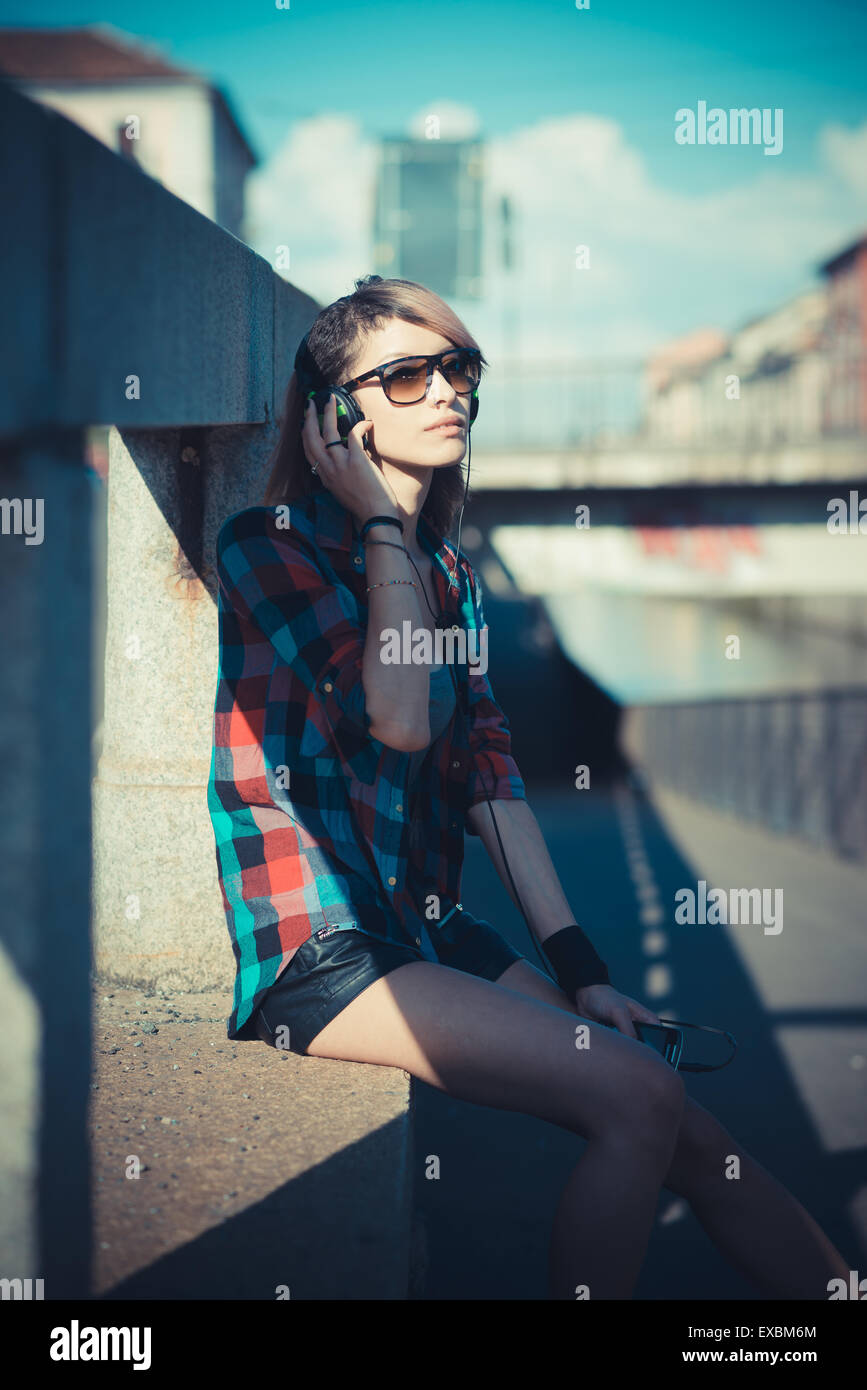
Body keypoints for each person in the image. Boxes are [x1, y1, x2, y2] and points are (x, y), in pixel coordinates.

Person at [207, 274, 851, 1300]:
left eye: (459, 368)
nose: (448, 391)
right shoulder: (267, 546)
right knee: (636, 1097)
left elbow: (490, 780)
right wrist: (379, 520)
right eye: (407, 375)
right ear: (339, 415)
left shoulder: (452, 577)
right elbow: (404, 719)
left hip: (424, 925)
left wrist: (581, 965)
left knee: (692, 1125)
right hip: (320, 942)